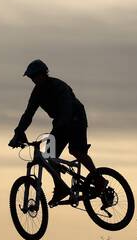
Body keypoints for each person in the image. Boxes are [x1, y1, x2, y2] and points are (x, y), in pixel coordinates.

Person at [7, 59, 97, 206]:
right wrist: (18, 134)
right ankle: (61, 187)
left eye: (35, 76)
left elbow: (67, 107)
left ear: (43, 74)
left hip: (76, 118)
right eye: (31, 78)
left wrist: (60, 126)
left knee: (76, 151)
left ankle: (98, 179)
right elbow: (28, 114)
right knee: (50, 155)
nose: (34, 80)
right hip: (60, 122)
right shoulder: (37, 93)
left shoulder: (58, 86)